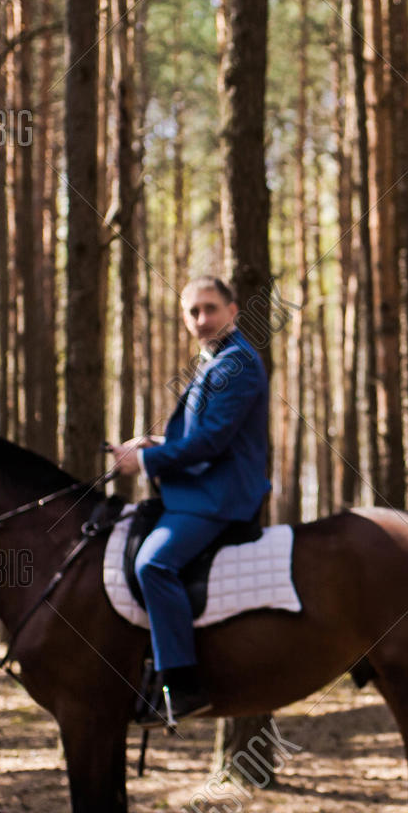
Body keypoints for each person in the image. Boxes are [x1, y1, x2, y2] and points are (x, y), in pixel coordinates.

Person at [108, 275, 271, 724]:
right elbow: (202, 434)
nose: (201, 320)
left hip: (221, 497)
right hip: (199, 488)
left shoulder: (236, 364)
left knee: (152, 564)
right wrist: (154, 442)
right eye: (193, 312)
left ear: (233, 310)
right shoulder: (214, 362)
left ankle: (181, 685)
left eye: (210, 309)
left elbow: (212, 443)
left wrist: (142, 463)